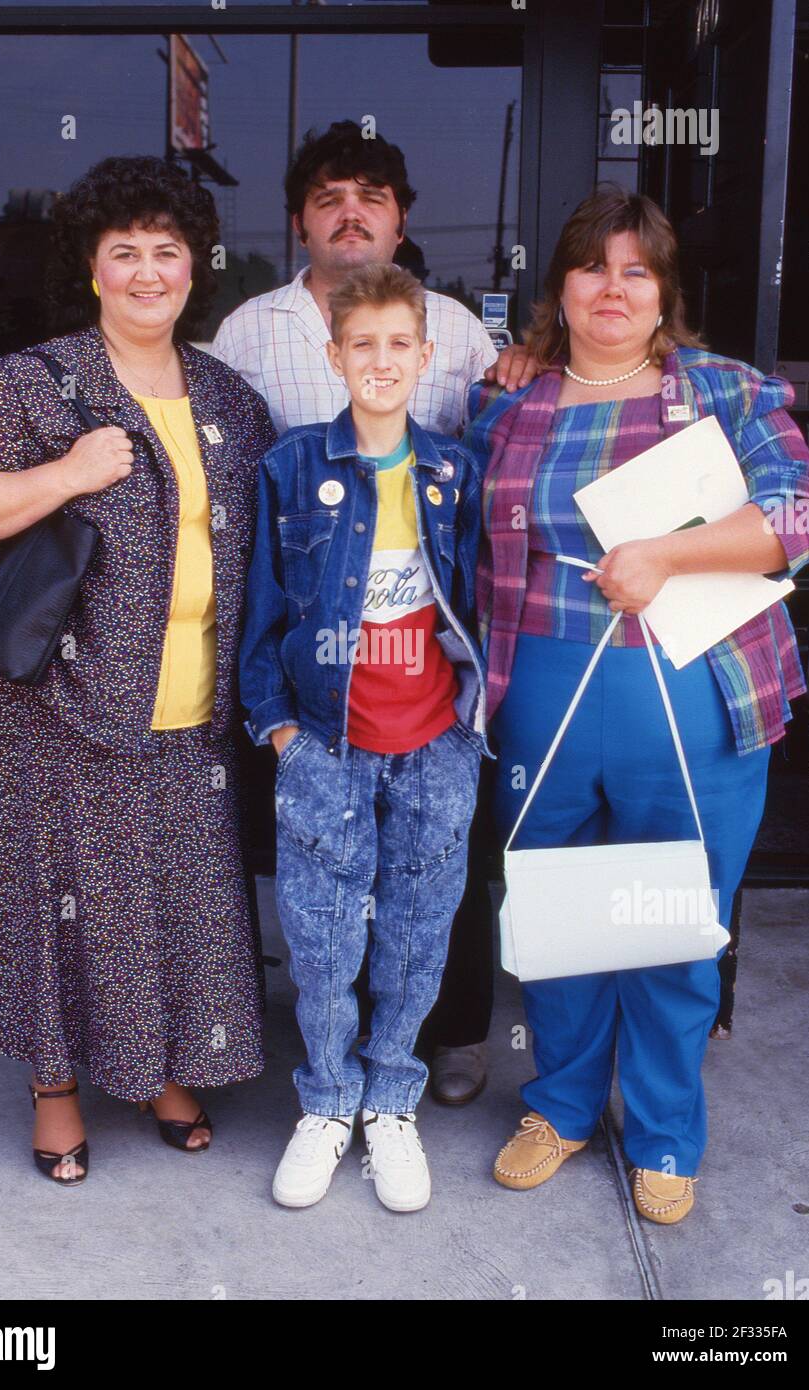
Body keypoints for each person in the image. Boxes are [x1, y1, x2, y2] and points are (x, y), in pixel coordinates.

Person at [467, 185, 809, 1224]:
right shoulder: (504, 401)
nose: (612, 286)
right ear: (561, 290)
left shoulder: (722, 389)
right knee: (559, 913)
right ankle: (563, 1105)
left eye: (636, 268)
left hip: (693, 681)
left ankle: (667, 1130)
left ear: (664, 291)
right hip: (541, 682)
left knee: (674, 914)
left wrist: (666, 554)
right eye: (592, 266)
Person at [0, 156, 276, 1185]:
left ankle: (159, 1067)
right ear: (90, 268)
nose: (148, 271)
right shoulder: (33, 381)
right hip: (58, 705)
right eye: (125, 252)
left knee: (173, 898)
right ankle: (57, 1088)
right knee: (63, 901)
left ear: (194, 266)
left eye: (167, 250)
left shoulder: (229, 397)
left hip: (190, 706)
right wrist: (66, 473)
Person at [215, 119, 532, 1103]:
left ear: (398, 221)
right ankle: (332, 1043)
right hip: (311, 626)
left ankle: (453, 1029)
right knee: (320, 860)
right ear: (301, 220)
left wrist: (535, 353)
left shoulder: (453, 327)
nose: (350, 212)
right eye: (327, 197)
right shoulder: (249, 328)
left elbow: (494, 452)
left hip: (422, 636)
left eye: (371, 197)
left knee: (444, 853)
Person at [239, 264, 489, 1211]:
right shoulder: (290, 468)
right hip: (325, 748)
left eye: (398, 345)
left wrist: (469, 727)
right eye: (362, 345)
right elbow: (258, 616)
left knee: (418, 937)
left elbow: (475, 605)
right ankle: (328, 1100)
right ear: (334, 355)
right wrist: (279, 733)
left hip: (432, 743)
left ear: (426, 357)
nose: (380, 361)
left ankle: (391, 1101)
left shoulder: (453, 470)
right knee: (321, 937)